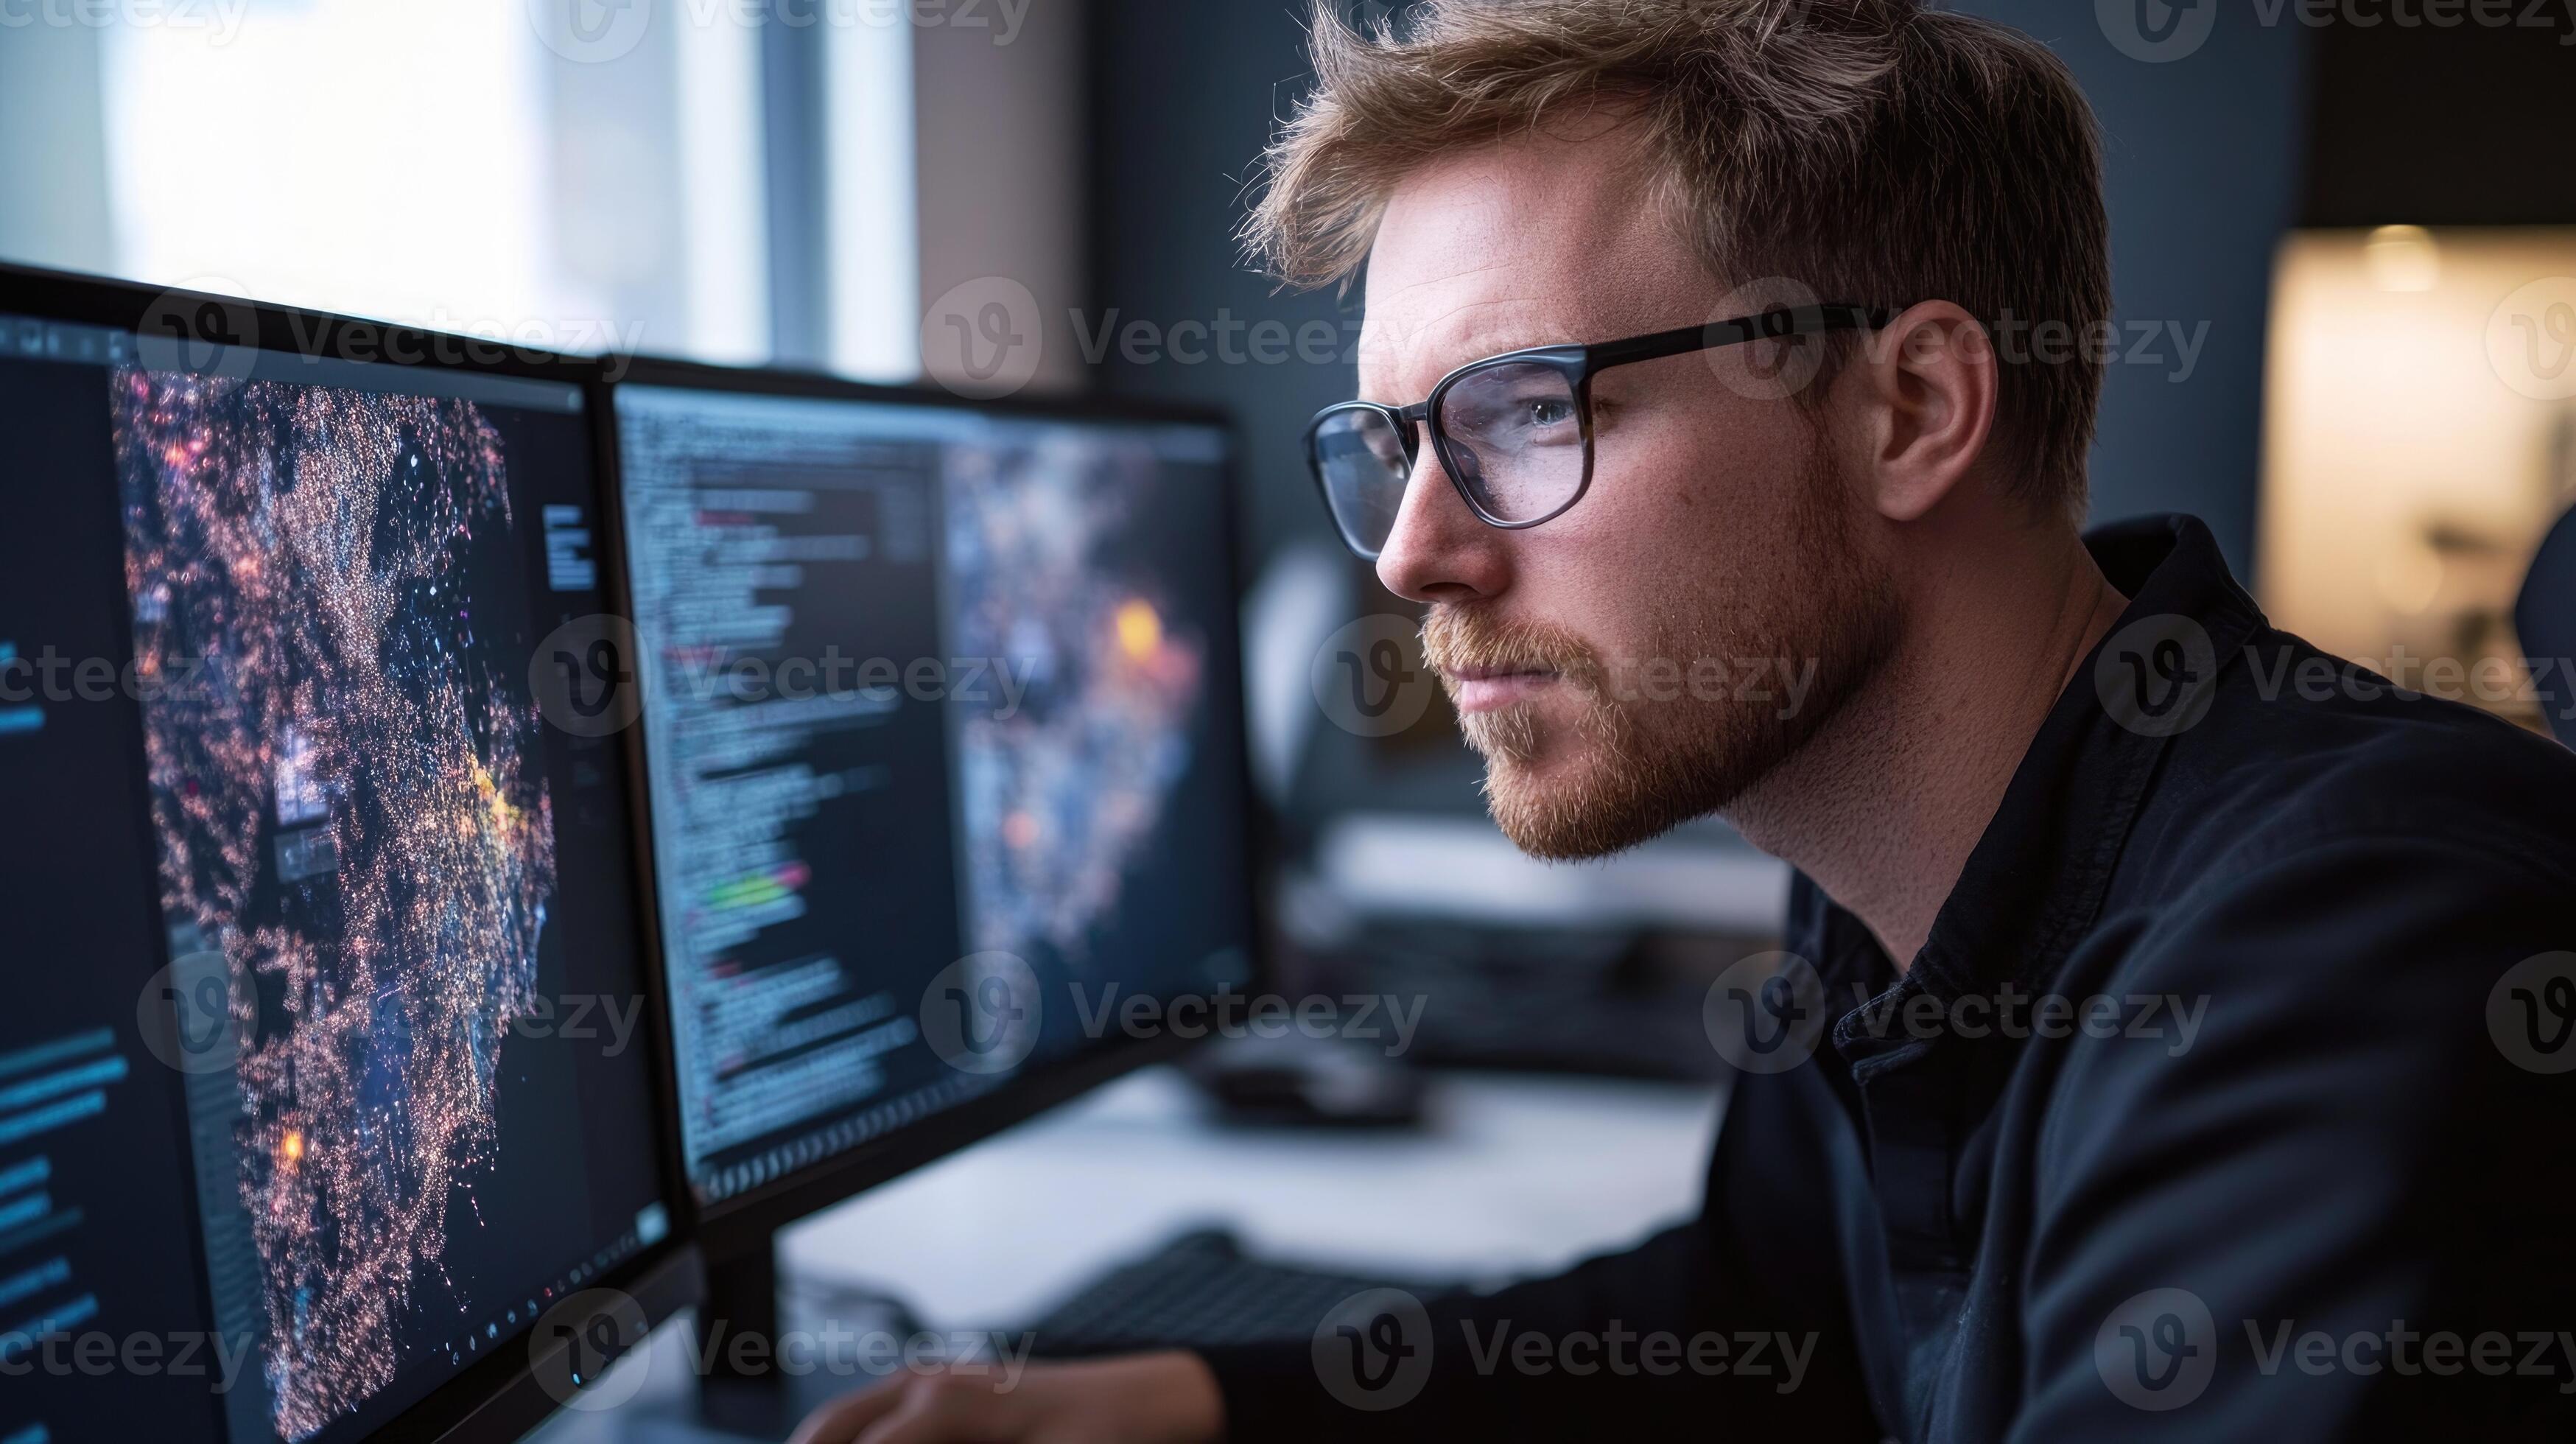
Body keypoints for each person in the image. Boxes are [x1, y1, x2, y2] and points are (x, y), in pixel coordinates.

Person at [794, 1, 2576, 1438]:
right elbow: (1755, 1320)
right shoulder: (1897, 861)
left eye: (1520, 413)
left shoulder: (2345, 953)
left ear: (1913, 407)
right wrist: (1185, 1397)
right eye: (1394, 443)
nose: (1415, 555)